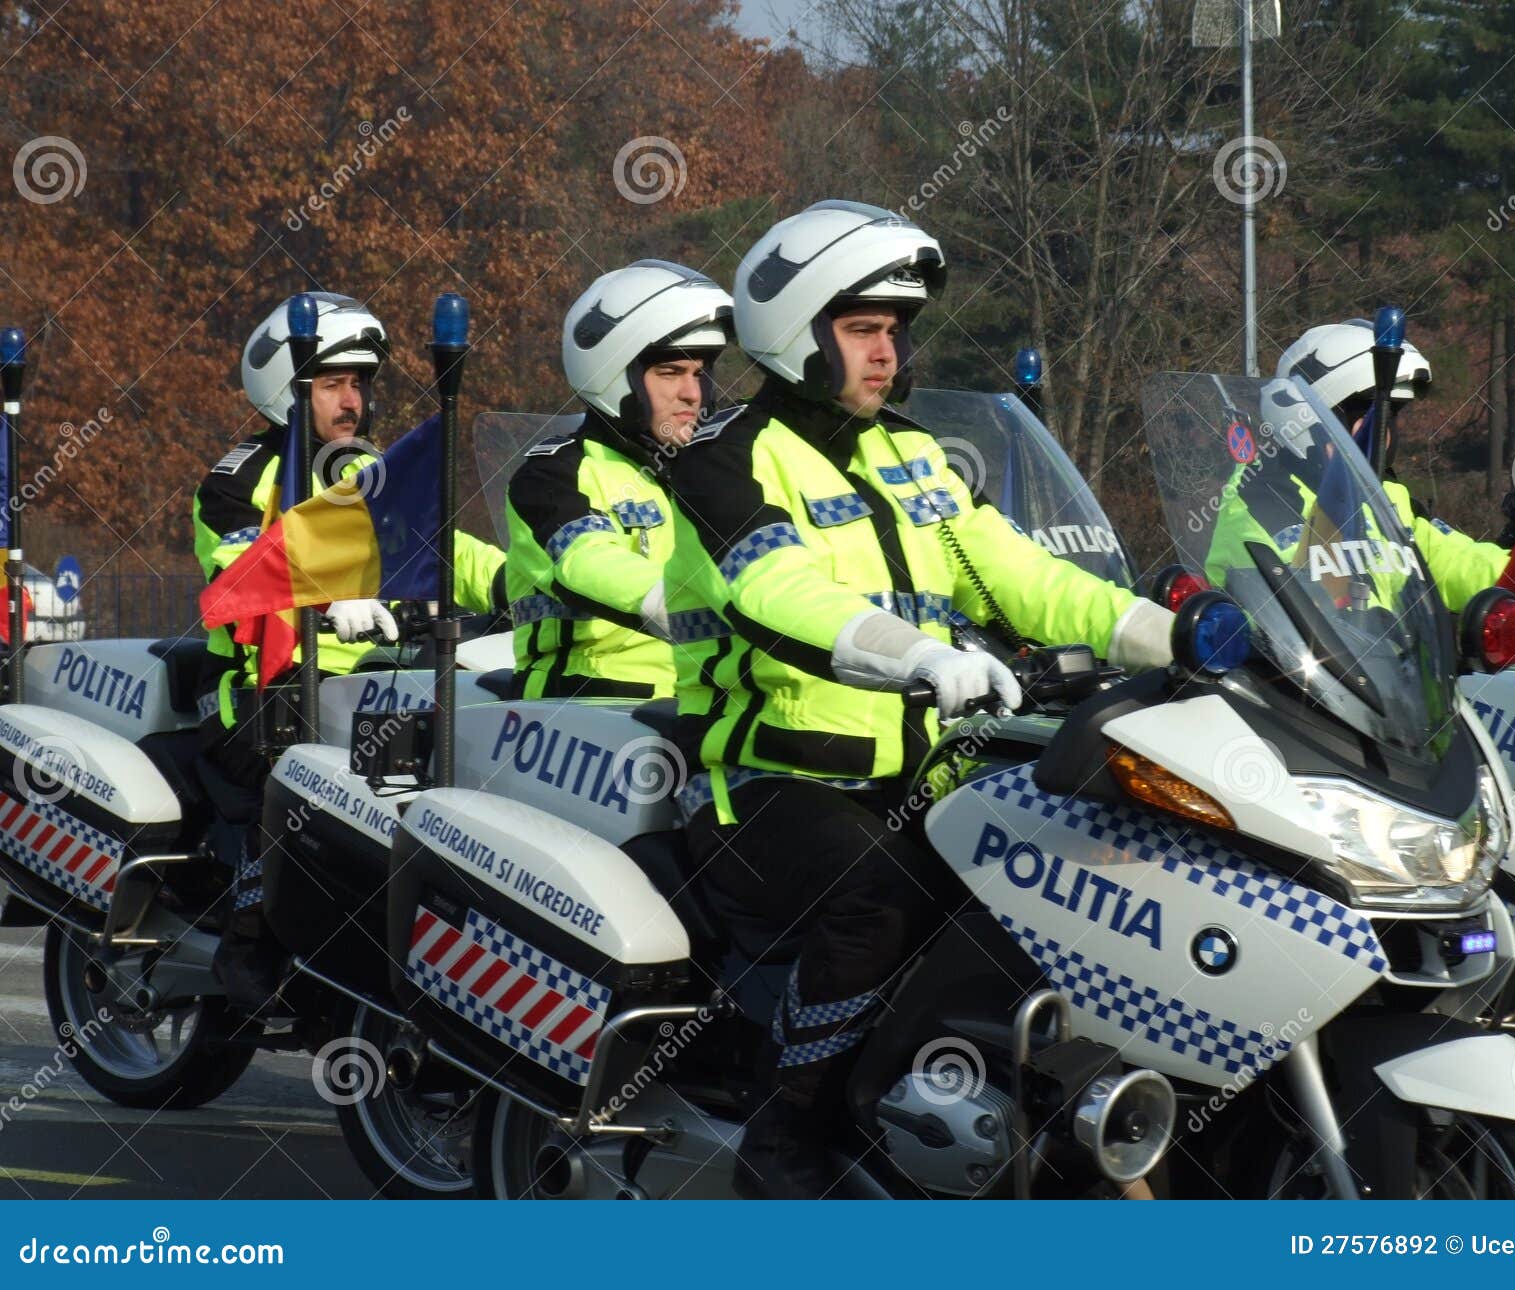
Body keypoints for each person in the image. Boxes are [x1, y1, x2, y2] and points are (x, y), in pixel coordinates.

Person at [665, 201, 1175, 1198]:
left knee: (1065, 874)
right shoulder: (724, 461)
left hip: (921, 769)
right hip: (762, 782)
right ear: (797, 334)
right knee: (880, 895)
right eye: (861, 330)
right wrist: (916, 654)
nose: (887, 352)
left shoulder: (913, 457)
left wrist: (1181, 635)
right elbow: (776, 588)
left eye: (894, 331)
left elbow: (1029, 579)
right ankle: (787, 1137)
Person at [193, 291, 506, 1007]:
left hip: (360, 689)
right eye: (334, 382)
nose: (353, 400)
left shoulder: (359, 476)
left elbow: (441, 549)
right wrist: (332, 598)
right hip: (263, 692)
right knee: (287, 770)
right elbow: (245, 567)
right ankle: (251, 939)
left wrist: (523, 583)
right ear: (289, 383)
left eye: (361, 382)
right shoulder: (241, 477)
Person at [503, 262, 733, 700]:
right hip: (584, 706)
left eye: (700, 373)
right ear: (614, 377)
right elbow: (587, 563)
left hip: (690, 701)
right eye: (670, 373)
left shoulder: (705, 473)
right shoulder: (553, 475)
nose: (693, 393)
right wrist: (718, 609)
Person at [1210, 319, 1508, 609]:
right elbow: (1311, 597)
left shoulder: (1387, 500)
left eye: (1388, 420)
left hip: (1392, 660)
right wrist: (1378, 623)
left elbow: (1461, 562)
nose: (1383, 437)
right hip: (1297, 659)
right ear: (1306, 421)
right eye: (1363, 419)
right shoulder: (1261, 500)